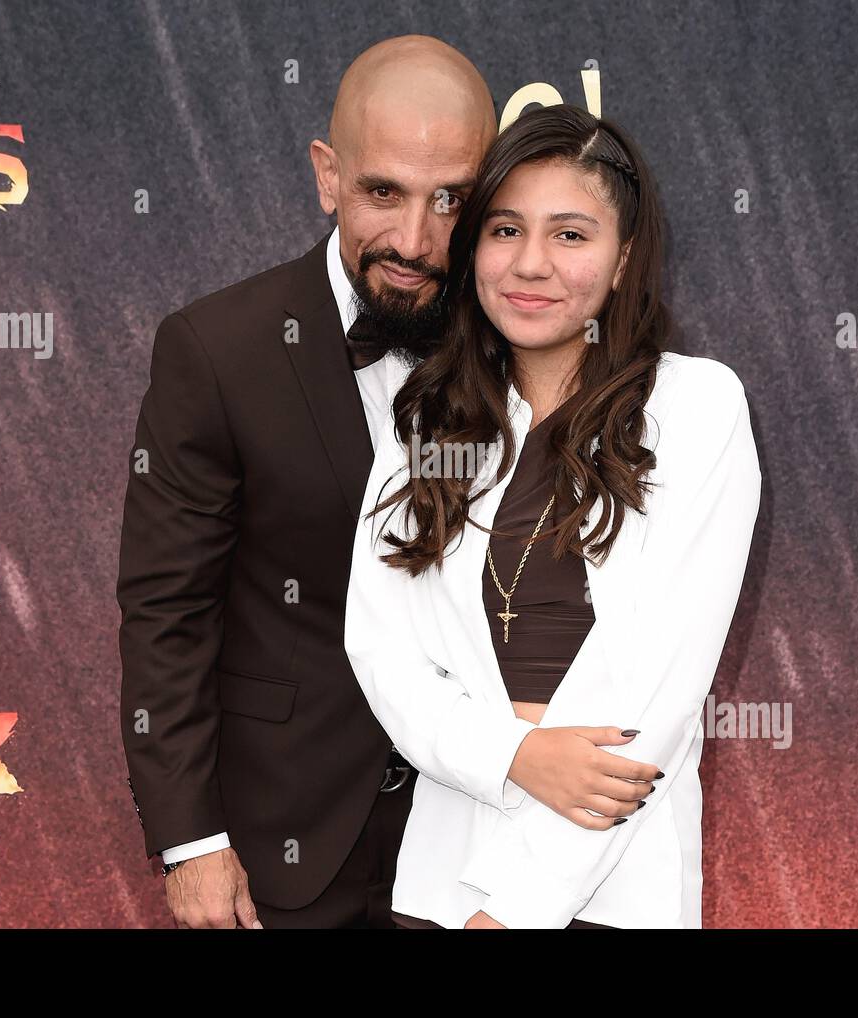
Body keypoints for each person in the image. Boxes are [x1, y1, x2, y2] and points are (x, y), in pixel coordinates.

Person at [115, 36, 643, 929]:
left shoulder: (533, 335)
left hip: (484, 838)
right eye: (381, 192)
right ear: (329, 175)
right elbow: (168, 611)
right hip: (287, 837)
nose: (414, 239)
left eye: (452, 202)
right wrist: (191, 842)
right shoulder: (219, 350)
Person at [344, 104, 763, 929]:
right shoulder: (428, 415)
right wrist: (516, 754)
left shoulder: (694, 407)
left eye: (571, 235)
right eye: (504, 230)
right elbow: (381, 646)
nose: (530, 264)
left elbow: (659, 685)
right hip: (440, 880)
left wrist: (518, 909)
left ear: (624, 258)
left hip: (609, 882)